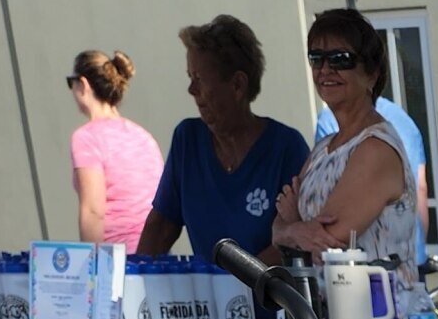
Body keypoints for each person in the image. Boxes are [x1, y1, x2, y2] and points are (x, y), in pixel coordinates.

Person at [137, 16, 310, 269]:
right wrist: (132, 282)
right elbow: (161, 226)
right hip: (208, 305)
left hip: (270, 304)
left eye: (199, 78)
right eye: (189, 77)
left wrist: (239, 283)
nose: (191, 90)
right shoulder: (187, 140)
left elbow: (295, 240)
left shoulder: (286, 147)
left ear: (237, 85)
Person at [271, 11, 417, 284]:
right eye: (316, 58)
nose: (325, 69)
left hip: (379, 316)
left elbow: (330, 242)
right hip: (332, 315)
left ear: (372, 74)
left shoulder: (376, 148)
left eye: (340, 59)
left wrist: (291, 225)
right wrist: (294, 229)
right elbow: (278, 231)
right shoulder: (324, 148)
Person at [315, 88, 430, 270]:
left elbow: (321, 187)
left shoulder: (329, 121)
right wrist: (418, 247)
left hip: (355, 275)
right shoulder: (404, 120)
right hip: (410, 258)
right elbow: (420, 188)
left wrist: (290, 230)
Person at [67, 51, 163, 250]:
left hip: (117, 261)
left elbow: (93, 211)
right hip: (156, 257)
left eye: (71, 83)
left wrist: (92, 265)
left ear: (83, 84)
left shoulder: (86, 138)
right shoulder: (143, 137)